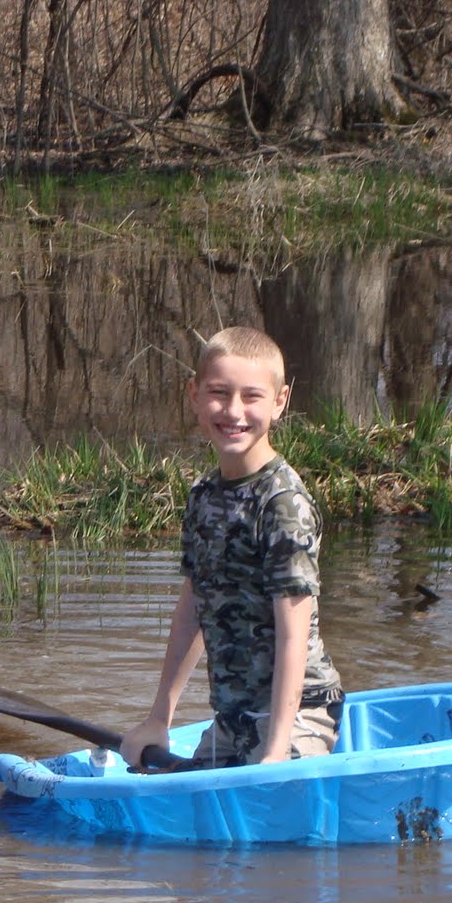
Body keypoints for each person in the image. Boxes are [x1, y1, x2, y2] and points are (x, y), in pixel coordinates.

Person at [121, 325, 341, 770]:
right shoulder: (204, 496)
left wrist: (276, 751)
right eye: (219, 393)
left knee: (259, 823)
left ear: (280, 402)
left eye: (252, 396)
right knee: (180, 812)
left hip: (299, 715)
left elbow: (293, 635)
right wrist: (157, 719)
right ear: (195, 396)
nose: (234, 411)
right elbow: (191, 611)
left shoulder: (283, 505)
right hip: (233, 716)